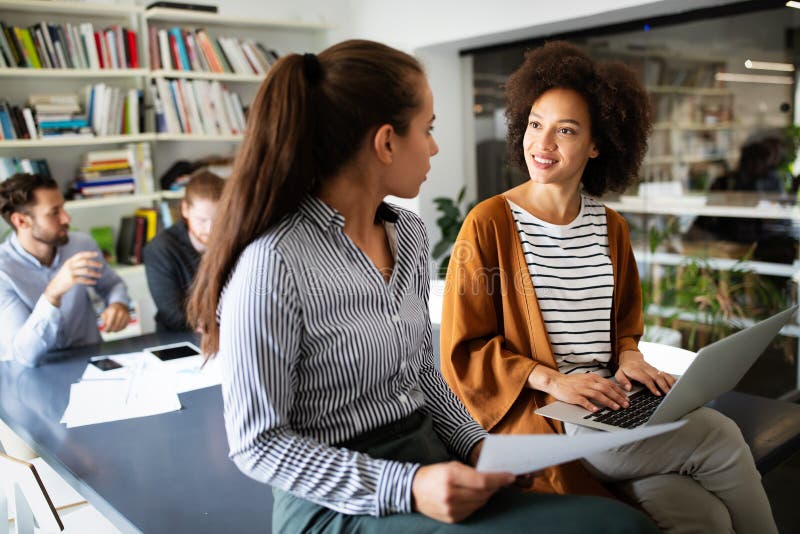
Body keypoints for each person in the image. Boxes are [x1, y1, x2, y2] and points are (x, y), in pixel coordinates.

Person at [186, 40, 656, 533]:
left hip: (433, 457)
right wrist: (407, 487)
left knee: (620, 524)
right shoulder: (272, 263)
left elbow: (420, 374)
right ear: (386, 142)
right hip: (339, 503)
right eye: (427, 130)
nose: (434, 147)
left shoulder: (406, 234)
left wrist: (480, 447)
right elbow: (258, 444)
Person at [440, 40, 777, 533]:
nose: (543, 143)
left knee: (701, 515)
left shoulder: (610, 227)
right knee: (719, 437)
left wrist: (631, 358)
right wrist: (556, 380)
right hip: (551, 415)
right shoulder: (488, 224)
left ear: (597, 145)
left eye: (566, 130)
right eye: (536, 124)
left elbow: (622, 328)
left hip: (611, 401)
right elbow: (465, 349)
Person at [0, 173, 130, 367]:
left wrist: (118, 304)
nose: (66, 218)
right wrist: (53, 293)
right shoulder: (3, 272)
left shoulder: (81, 244)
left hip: (91, 361)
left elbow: (111, 284)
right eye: (54, 212)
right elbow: (24, 356)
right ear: (21, 221)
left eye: (63, 208)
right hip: (40, 371)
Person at [143, 170, 224, 331]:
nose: (211, 229)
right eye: (202, 220)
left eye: (218, 219)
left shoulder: (233, 240)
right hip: (178, 340)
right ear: (185, 209)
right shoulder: (160, 249)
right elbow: (172, 315)